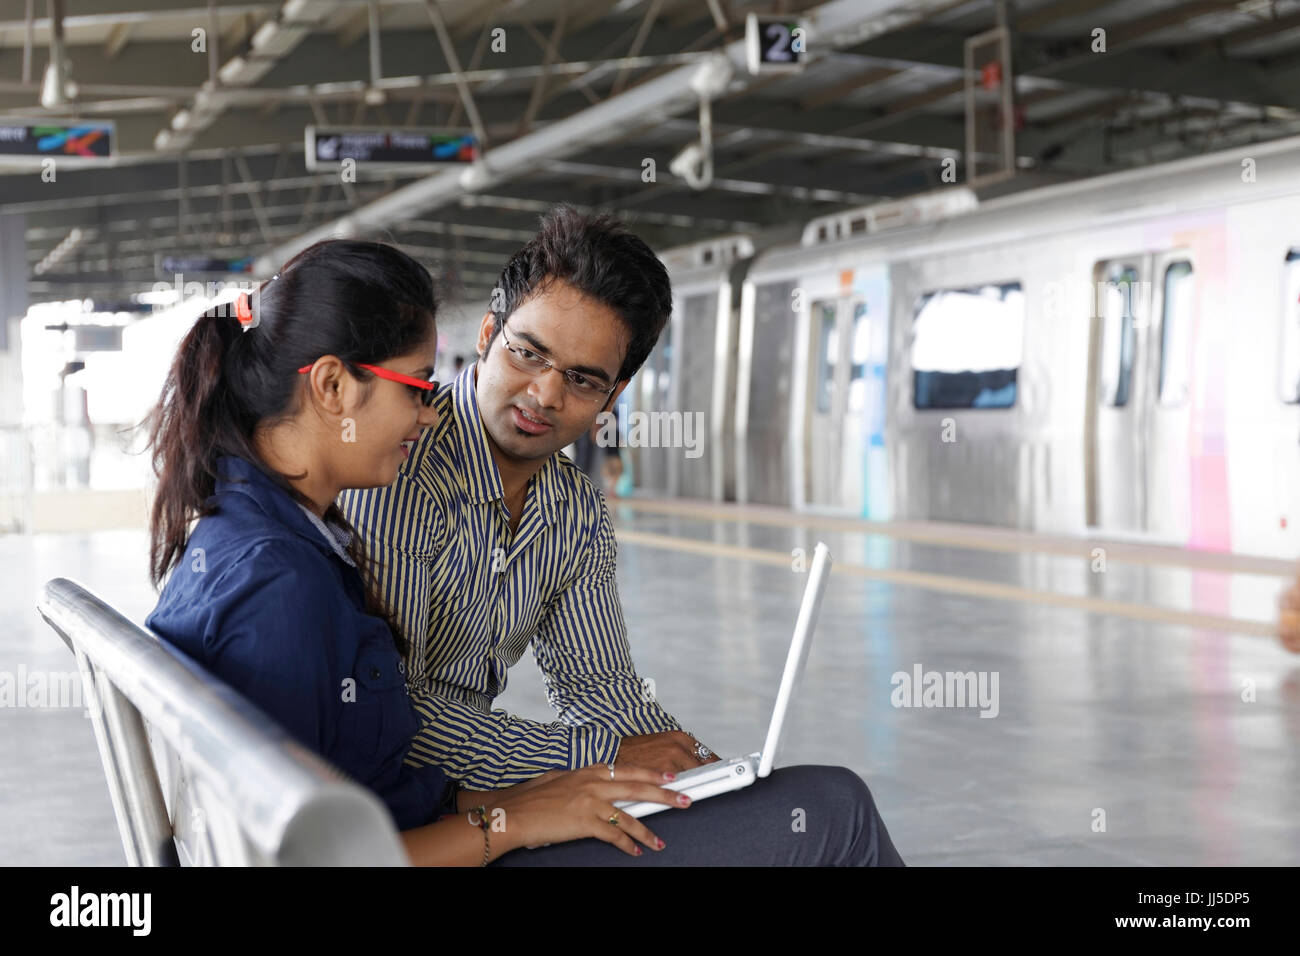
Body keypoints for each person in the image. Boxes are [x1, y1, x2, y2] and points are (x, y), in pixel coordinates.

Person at [139, 237, 903, 866]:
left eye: (581, 380)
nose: (542, 394)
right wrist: (571, 778)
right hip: (438, 827)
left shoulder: (570, 512)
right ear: (487, 335)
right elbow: (400, 725)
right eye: (528, 354)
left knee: (782, 810)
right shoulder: (384, 469)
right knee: (832, 810)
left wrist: (676, 768)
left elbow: (604, 688)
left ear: (613, 398)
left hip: (441, 815)